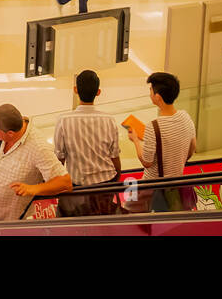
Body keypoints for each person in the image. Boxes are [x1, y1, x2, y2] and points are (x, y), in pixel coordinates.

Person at [0, 103, 72, 223]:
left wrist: (34, 188)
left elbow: (65, 182)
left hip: (5, 224)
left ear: (10, 134)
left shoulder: (38, 147)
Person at [53, 69, 122, 216]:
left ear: (75, 90)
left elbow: (60, 157)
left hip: (76, 187)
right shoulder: (109, 120)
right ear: (98, 92)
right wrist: (117, 176)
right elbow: (114, 155)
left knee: (74, 225)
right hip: (105, 185)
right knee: (102, 224)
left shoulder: (63, 120)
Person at [127, 71, 197, 213]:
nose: (150, 93)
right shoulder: (186, 117)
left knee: (130, 212)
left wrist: (135, 140)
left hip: (152, 187)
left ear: (158, 97)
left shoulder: (154, 126)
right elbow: (192, 148)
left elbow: (147, 162)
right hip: (176, 184)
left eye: (151, 90)